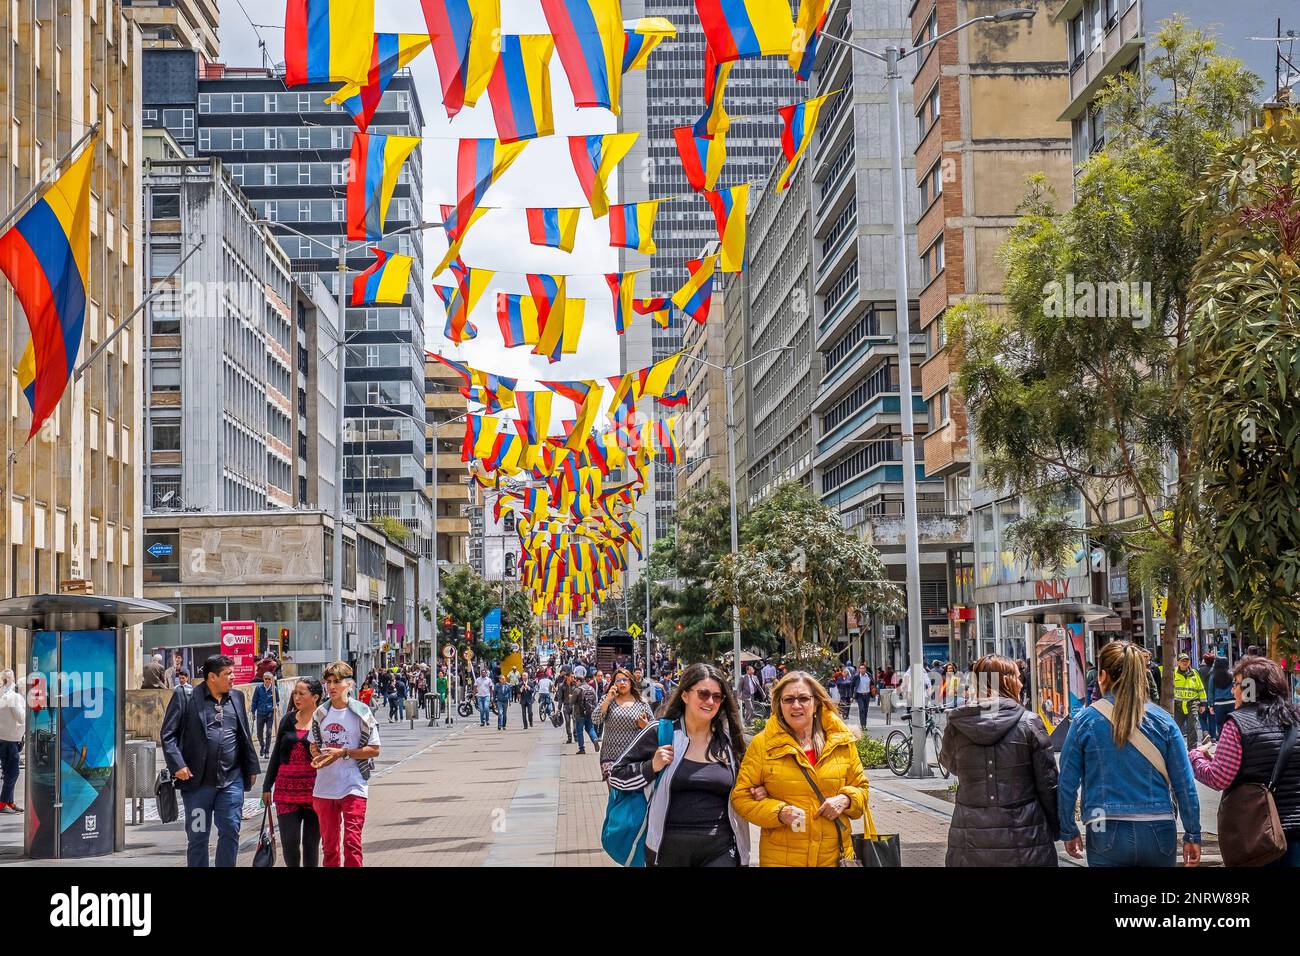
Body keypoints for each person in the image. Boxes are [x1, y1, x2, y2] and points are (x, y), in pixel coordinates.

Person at [1058, 641, 1201, 867]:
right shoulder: (1164, 721)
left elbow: (1067, 782)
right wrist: (1192, 833)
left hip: (1104, 825)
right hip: (1159, 827)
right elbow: (1184, 784)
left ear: (1102, 676)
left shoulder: (1085, 721)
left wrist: (1068, 828)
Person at [609, 663, 749, 866]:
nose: (710, 701)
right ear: (685, 696)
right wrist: (651, 767)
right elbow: (616, 776)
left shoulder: (730, 742)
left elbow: (751, 784)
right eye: (703, 694)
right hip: (668, 849)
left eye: (717, 697)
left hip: (721, 847)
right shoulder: (661, 733)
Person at [732, 670, 870, 867]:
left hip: (835, 858)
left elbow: (862, 789)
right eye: (788, 699)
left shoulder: (841, 741)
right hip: (781, 860)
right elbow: (741, 798)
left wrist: (846, 800)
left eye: (803, 698)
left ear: (816, 703)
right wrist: (778, 812)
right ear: (779, 706)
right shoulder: (763, 745)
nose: (796, 705)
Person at [940, 655, 1059, 866]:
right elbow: (1048, 784)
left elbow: (952, 766)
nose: (1022, 682)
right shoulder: (1029, 723)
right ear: (1006, 681)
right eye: (1018, 676)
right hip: (1025, 837)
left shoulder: (958, 725)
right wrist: (1058, 827)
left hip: (969, 839)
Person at [1190, 655, 1300, 867]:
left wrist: (1195, 757)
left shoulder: (1237, 724)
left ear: (1252, 688)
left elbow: (1219, 777)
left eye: (1237, 684)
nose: (1233, 690)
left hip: (1259, 836)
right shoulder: (1296, 718)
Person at [160, 654, 261, 867]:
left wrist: (251, 767)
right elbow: (168, 735)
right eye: (228, 674)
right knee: (198, 837)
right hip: (198, 786)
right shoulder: (186, 697)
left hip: (231, 781)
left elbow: (244, 734)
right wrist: (177, 765)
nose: (233, 677)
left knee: (230, 831)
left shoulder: (237, 697)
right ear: (212, 677)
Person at [310, 661, 381, 867]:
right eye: (328, 682)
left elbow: (374, 750)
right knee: (329, 847)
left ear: (349, 685)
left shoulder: (362, 712)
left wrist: (344, 753)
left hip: (354, 784)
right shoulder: (320, 713)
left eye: (337, 682)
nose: (331, 686)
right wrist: (316, 754)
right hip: (325, 787)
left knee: (352, 842)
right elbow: (313, 745)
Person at [262, 677, 324, 867]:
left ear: (315, 697)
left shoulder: (323, 721)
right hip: (286, 792)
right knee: (289, 843)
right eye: (295, 693)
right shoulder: (288, 719)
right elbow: (276, 754)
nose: (297, 698)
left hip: (315, 791)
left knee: (311, 844)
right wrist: (267, 786)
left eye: (301, 694)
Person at [594, 669, 653, 780]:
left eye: (625, 680)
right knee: (615, 795)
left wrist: (645, 725)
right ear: (614, 684)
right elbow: (596, 719)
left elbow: (653, 729)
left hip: (635, 757)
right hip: (610, 756)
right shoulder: (607, 700)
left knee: (631, 795)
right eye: (618, 680)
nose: (622, 683)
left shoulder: (641, 702)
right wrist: (607, 700)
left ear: (630, 682)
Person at [0, 670, 25, 813]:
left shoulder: (3, 695)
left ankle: (10, 802)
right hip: (10, 741)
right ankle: (3, 803)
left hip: (5, 739)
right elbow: (21, 718)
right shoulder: (12, 697)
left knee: (8, 772)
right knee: (14, 773)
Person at [1173, 652, 1207, 748]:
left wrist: (1203, 704)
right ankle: (1177, 748)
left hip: (1192, 703)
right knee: (1177, 727)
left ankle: (1192, 749)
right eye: (1182, 661)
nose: (1184, 663)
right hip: (1178, 704)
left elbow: (1201, 688)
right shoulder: (1173, 673)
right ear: (1178, 662)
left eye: (1186, 661)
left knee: (1193, 726)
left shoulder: (1194, 673)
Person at [252, 672, 279, 759]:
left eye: (269, 679)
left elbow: (277, 700)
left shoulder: (274, 689)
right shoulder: (258, 688)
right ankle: (262, 746)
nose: (267, 681)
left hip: (269, 713)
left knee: (269, 732)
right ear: (263, 679)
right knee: (259, 733)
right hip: (260, 713)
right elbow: (254, 700)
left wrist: (276, 706)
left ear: (271, 680)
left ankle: (267, 751)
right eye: (266, 679)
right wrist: (253, 712)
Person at [572, 674, 600, 754]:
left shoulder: (578, 690)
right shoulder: (592, 688)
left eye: (576, 682)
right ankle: (594, 739)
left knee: (579, 731)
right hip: (590, 712)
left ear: (579, 681)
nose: (575, 683)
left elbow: (572, 702)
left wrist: (571, 698)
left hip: (580, 713)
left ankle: (582, 749)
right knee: (590, 728)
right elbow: (595, 700)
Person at [1209, 654, 1234, 741]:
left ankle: (1222, 741)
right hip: (1232, 702)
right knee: (1233, 723)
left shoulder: (1213, 676)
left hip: (1218, 704)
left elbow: (1211, 691)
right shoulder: (1231, 674)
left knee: (1220, 724)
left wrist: (1211, 705)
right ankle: (1232, 740)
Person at [851, 663, 874, 730]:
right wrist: (851, 696)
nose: (862, 670)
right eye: (861, 668)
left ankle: (865, 725)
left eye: (863, 668)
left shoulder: (869, 675)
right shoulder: (856, 676)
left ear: (865, 669)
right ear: (859, 669)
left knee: (866, 710)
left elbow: (873, 683)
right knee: (862, 709)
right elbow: (852, 686)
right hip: (859, 695)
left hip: (867, 695)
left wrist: (873, 690)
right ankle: (863, 725)